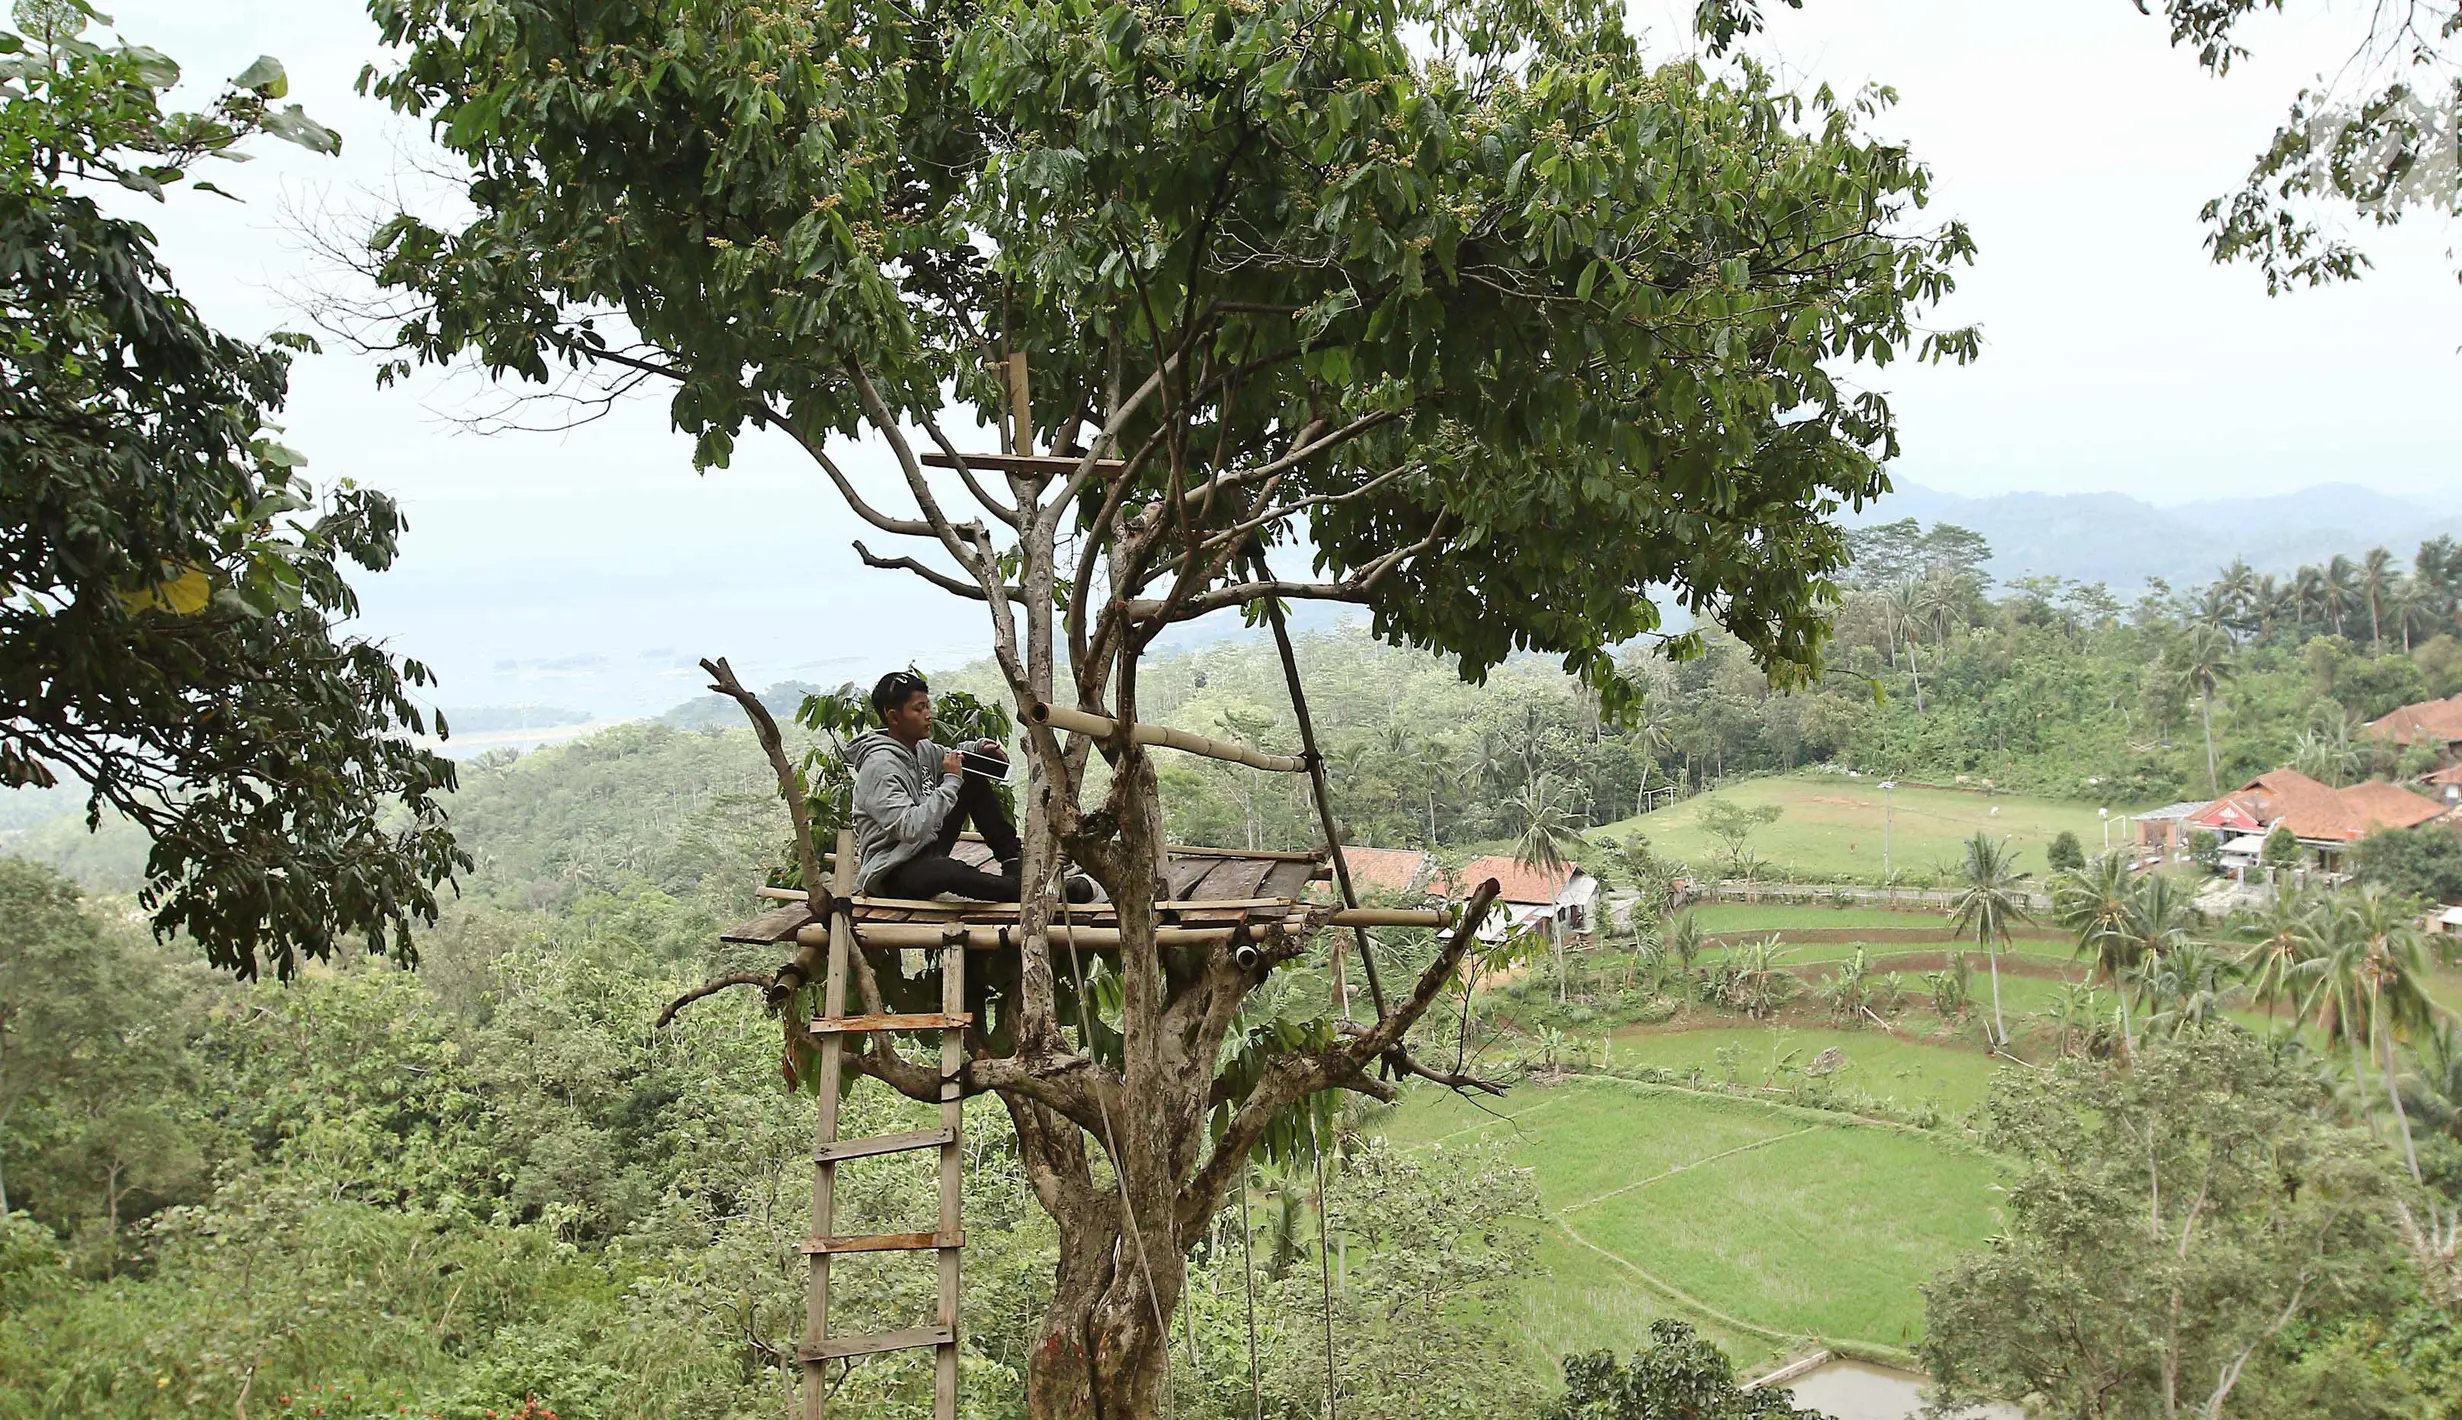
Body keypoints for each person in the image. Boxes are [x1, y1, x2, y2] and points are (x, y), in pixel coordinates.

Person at [845, 670, 1095, 903]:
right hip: (892, 871)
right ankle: (1041, 895)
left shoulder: (917, 747)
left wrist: (979, 749)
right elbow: (909, 828)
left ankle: (1011, 860)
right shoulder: (879, 768)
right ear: (893, 717)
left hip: (925, 848)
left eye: (927, 705)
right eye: (918, 709)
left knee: (971, 776)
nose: (928, 714)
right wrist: (951, 782)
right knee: (951, 872)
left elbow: (949, 756)